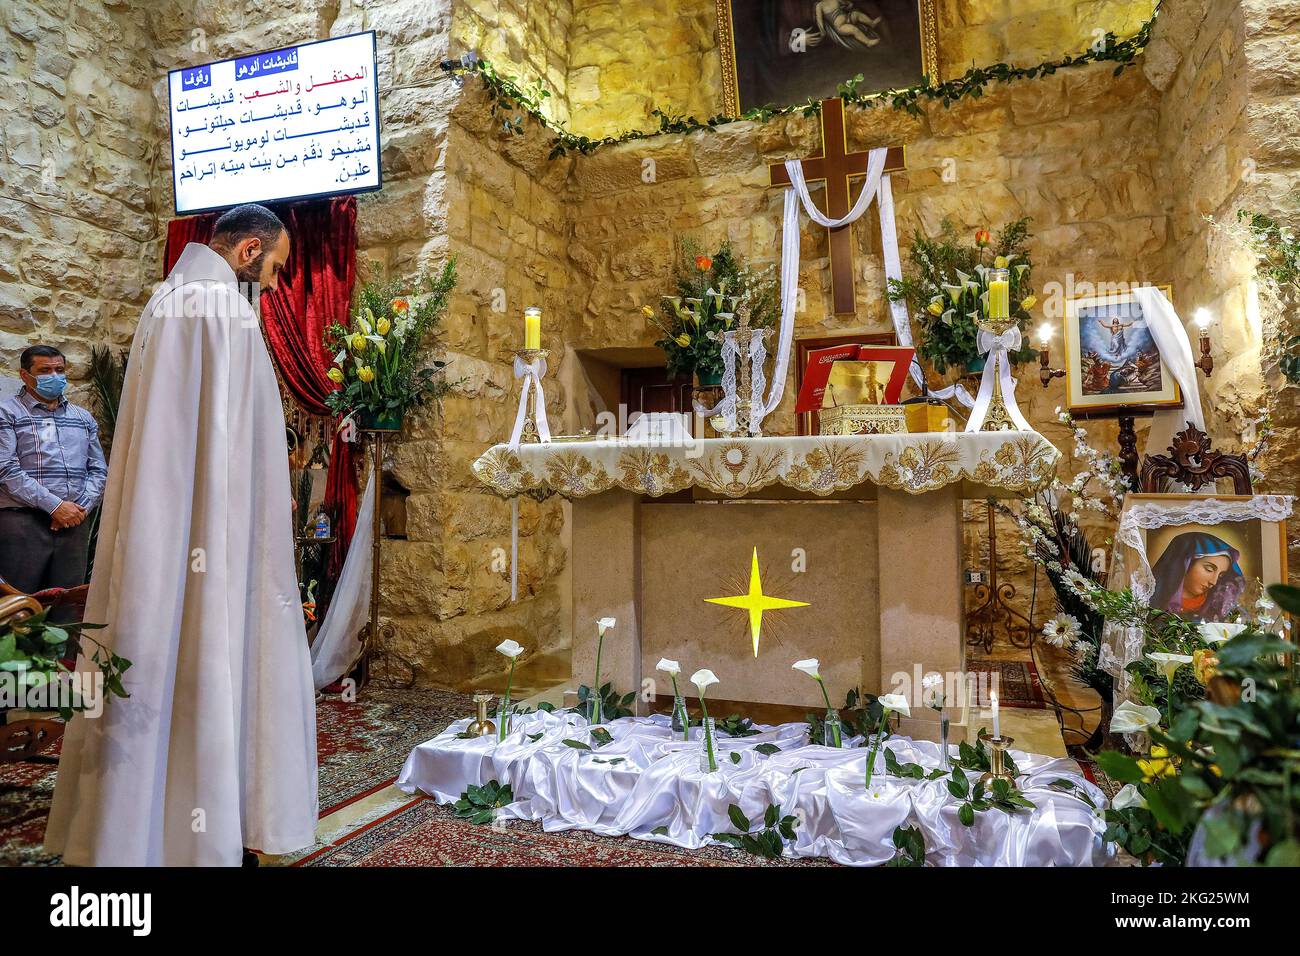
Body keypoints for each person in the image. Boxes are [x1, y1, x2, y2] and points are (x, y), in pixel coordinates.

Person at [45, 203, 318, 866]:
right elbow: (227, 455)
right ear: (250, 251)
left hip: (166, 537)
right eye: (276, 267)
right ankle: (205, 834)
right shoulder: (219, 311)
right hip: (214, 542)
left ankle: (137, 831)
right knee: (211, 653)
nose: (276, 285)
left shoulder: (166, 303)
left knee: (159, 647)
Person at [0, 346, 107, 615]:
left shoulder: (83, 419)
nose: (55, 376)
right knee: (18, 609)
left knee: (67, 609)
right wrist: (55, 506)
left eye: (59, 370)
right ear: (25, 375)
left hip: (74, 524)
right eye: (45, 371)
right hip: (22, 523)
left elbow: (98, 471)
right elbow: (6, 468)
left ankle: (67, 659)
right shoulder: (7, 413)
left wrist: (78, 508)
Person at [1149, 530, 1246, 623]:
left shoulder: (1215, 607)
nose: (1214, 582)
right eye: (1209, 569)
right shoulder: (1154, 601)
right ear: (1186, 564)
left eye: (1221, 575)